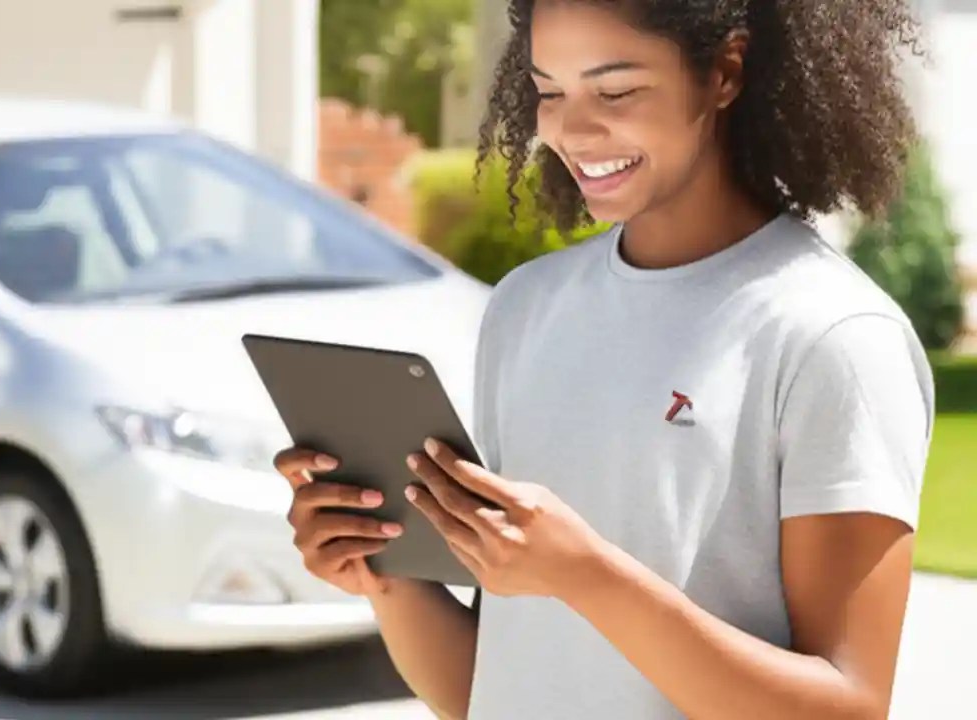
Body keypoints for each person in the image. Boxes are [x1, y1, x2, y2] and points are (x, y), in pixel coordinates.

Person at [274, 0, 936, 717]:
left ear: (725, 71)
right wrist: (385, 573)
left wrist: (585, 575)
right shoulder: (526, 308)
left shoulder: (832, 335)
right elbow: (488, 692)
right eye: (550, 91)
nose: (571, 129)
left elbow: (849, 706)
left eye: (615, 90)